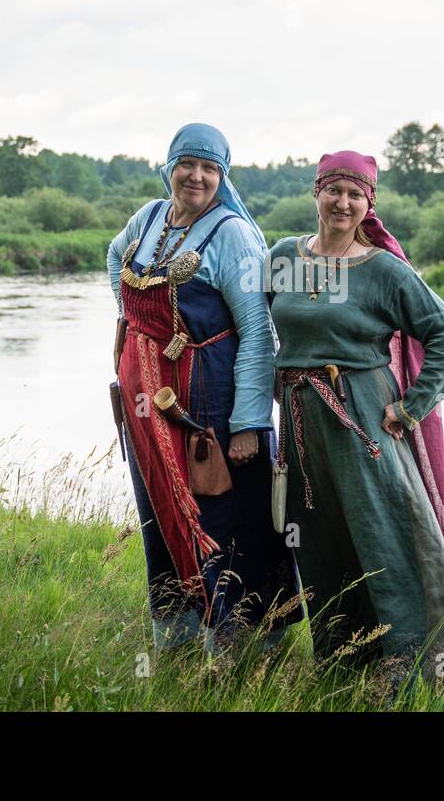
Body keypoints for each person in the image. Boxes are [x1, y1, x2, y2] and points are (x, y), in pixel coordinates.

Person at [266, 149, 444, 689]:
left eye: (355, 194)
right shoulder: (283, 257)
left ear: (369, 204)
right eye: (333, 190)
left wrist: (411, 407)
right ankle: (345, 665)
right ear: (316, 193)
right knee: (319, 540)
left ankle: (412, 668)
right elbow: (259, 329)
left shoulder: (384, 270)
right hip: (300, 423)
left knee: (387, 536)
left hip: (362, 419)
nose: (343, 202)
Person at [107, 122, 300, 652]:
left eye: (209, 168)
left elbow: (259, 334)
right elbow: (113, 259)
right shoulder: (148, 218)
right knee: (161, 514)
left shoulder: (231, 233)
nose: (196, 176)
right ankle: (177, 638)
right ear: (168, 168)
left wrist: (248, 426)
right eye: (187, 164)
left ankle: (248, 647)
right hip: (149, 407)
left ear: (222, 176)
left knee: (227, 521)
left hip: (212, 404)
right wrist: (134, 327)